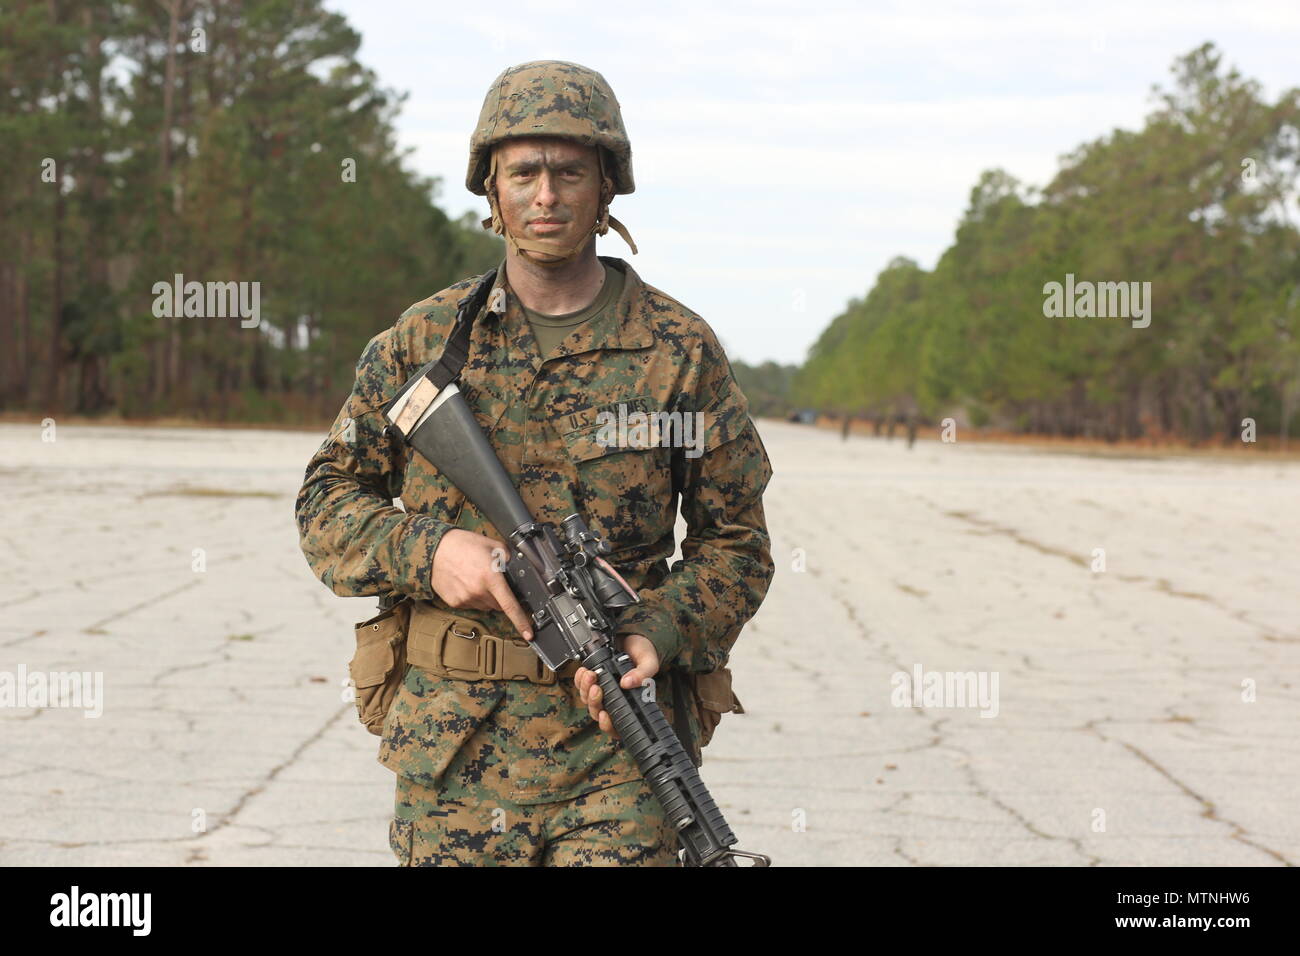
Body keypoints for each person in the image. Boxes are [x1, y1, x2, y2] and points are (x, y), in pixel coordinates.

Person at [295, 60, 773, 866]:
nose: (546, 195)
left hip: (620, 753)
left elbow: (737, 544)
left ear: (607, 188)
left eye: (568, 172)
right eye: (524, 173)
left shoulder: (680, 352)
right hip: (454, 753)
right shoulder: (425, 342)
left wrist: (659, 629)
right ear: (492, 190)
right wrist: (430, 551)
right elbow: (324, 503)